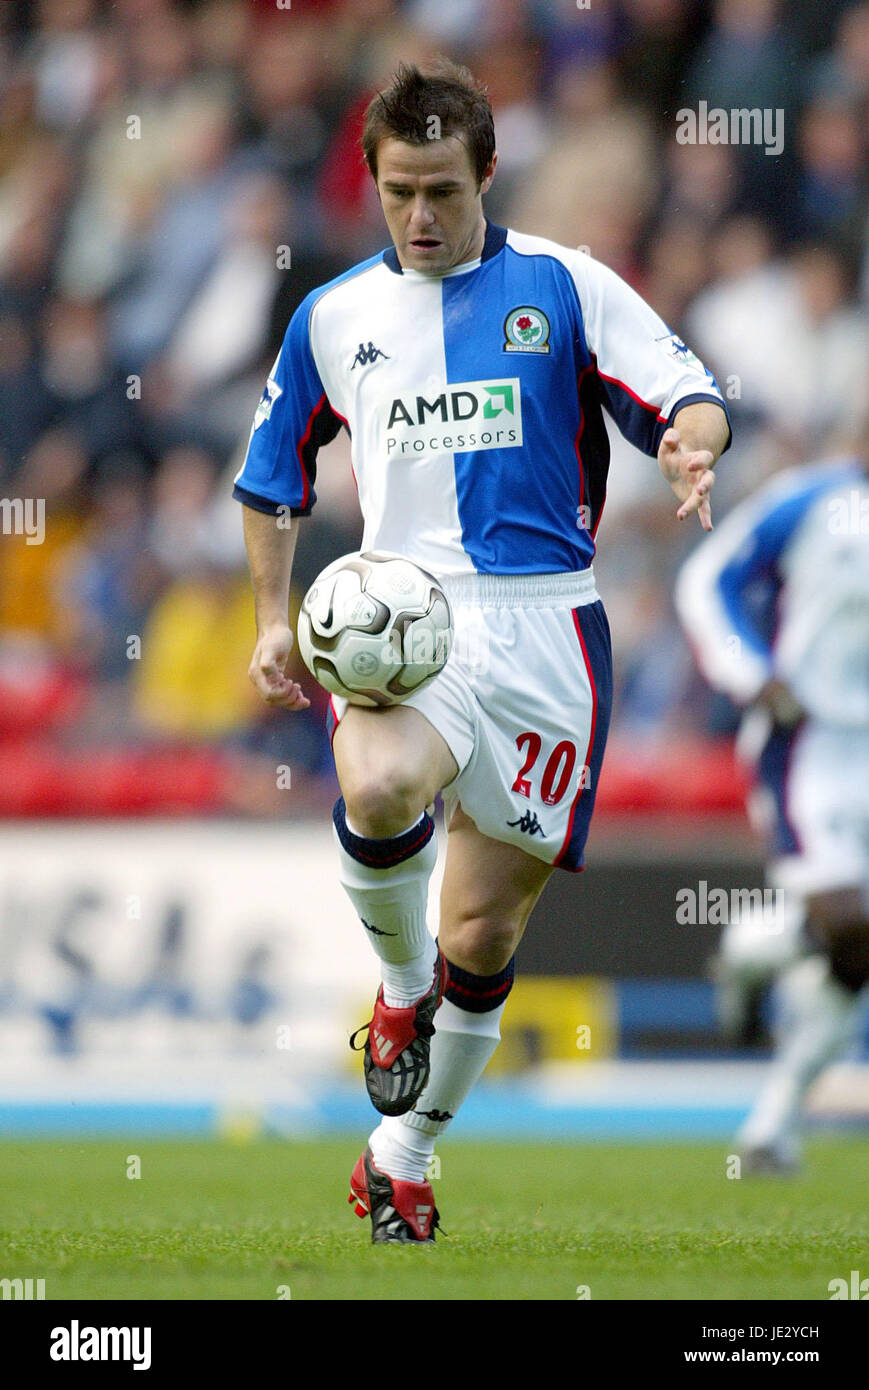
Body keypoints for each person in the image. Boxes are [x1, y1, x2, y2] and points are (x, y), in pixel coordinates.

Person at [236, 61, 731, 1242]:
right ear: (369, 179)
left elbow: (687, 391)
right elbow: (270, 478)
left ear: (486, 175)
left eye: (441, 192)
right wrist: (268, 615)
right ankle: (399, 995)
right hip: (408, 617)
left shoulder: (564, 286)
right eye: (398, 190)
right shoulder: (333, 316)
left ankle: (400, 1153)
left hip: (550, 625)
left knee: (483, 933)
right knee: (380, 778)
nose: (418, 216)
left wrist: (688, 448)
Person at [675, 438, 869, 1172]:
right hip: (810, 743)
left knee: (858, 949)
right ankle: (747, 955)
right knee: (849, 922)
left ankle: (771, 1125)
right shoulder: (811, 500)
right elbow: (708, 578)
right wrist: (746, 668)